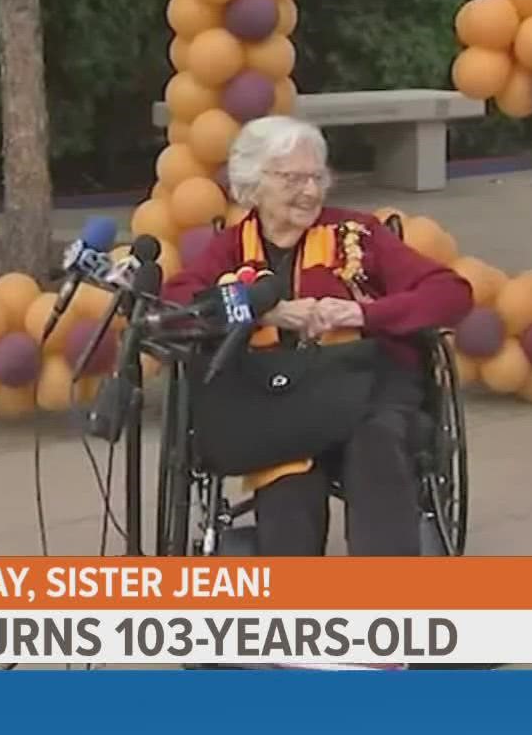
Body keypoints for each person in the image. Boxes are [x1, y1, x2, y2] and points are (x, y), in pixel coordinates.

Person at [162, 115, 474, 556]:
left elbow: (450, 293)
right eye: (292, 178)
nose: (309, 191)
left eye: (316, 177)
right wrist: (266, 313)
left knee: (377, 443)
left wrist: (364, 313)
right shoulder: (232, 246)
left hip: (369, 385)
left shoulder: (359, 235)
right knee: (289, 491)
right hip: (278, 401)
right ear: (254, 182)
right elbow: (181, 304)